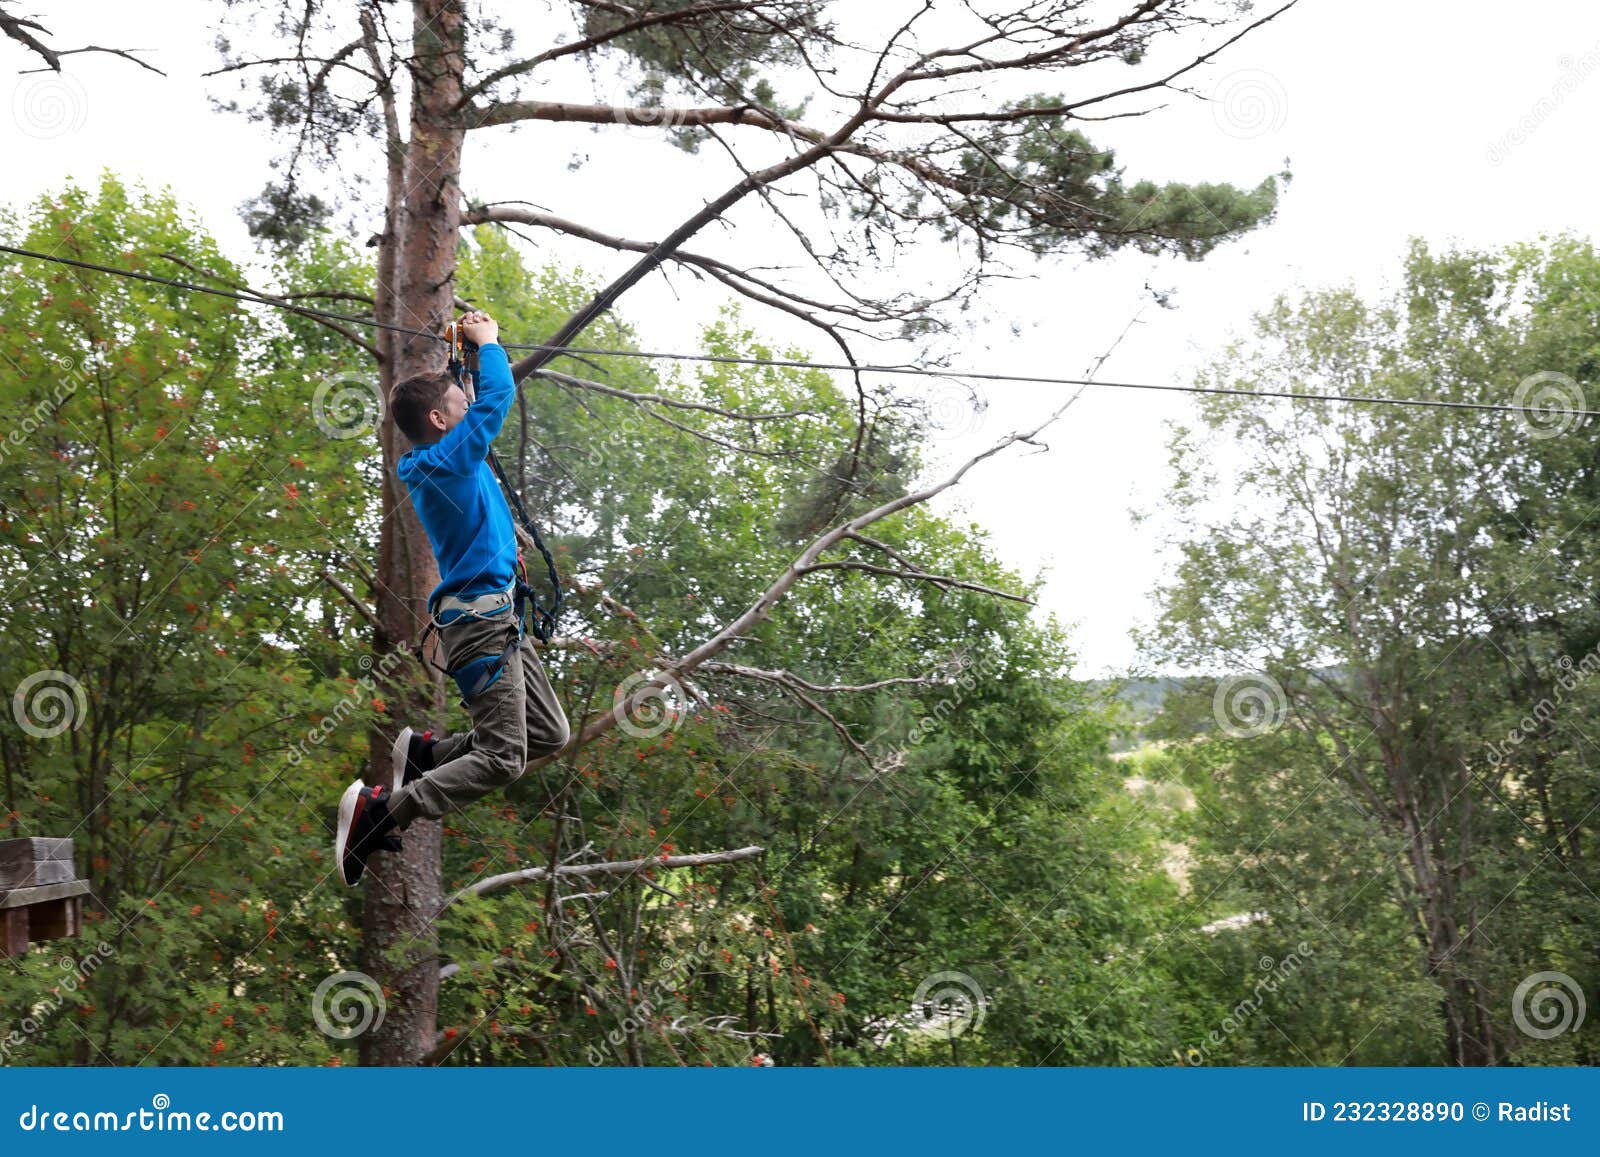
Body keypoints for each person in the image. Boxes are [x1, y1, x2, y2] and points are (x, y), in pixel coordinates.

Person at [334, 309, 570, 887]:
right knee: (503, 759)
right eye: (457, 409)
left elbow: (469, 397)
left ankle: (426, 754)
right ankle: (379, 811)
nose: (469, 411)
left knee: (550, 735)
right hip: (480, 628)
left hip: (498, 620)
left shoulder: (445, 456)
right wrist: (490, 346)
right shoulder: (445, 461)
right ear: (440, 421)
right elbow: (490, 403)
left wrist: (464, 348)